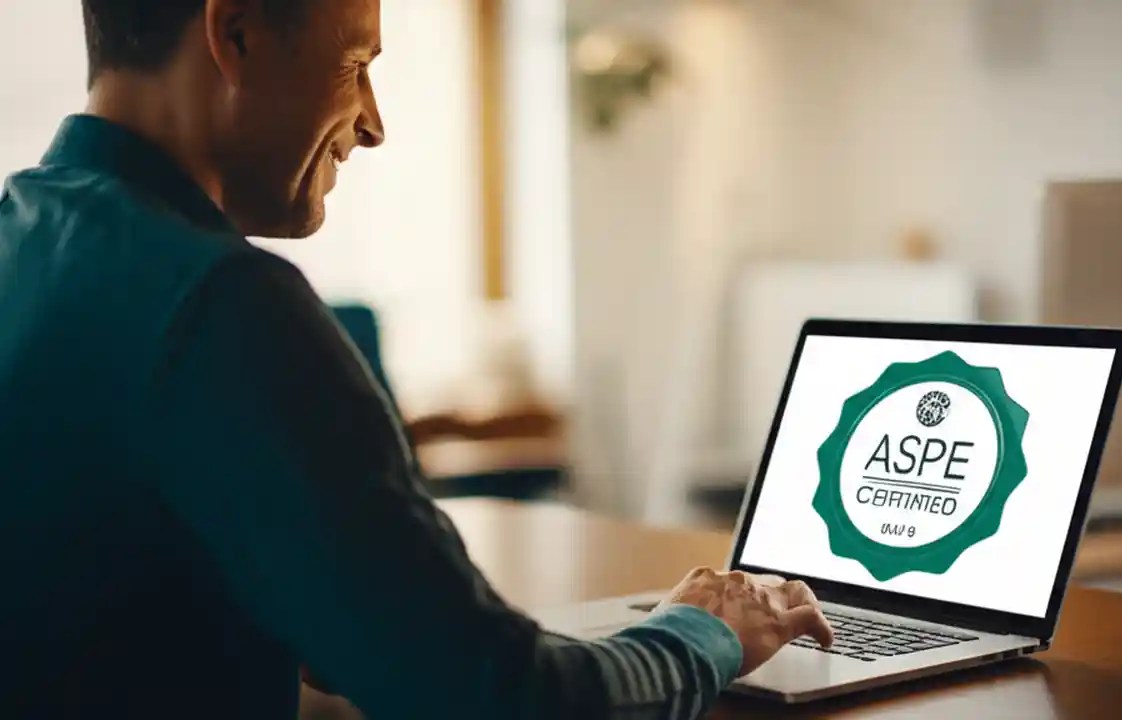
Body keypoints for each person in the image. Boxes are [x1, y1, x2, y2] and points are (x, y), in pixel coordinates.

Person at [0, 0, 834, 717]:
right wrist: (707, 629)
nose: (372, 122)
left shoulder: (25, 238)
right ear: (238, 31)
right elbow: (507, 701)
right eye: (354, 61)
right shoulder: (223, 302)